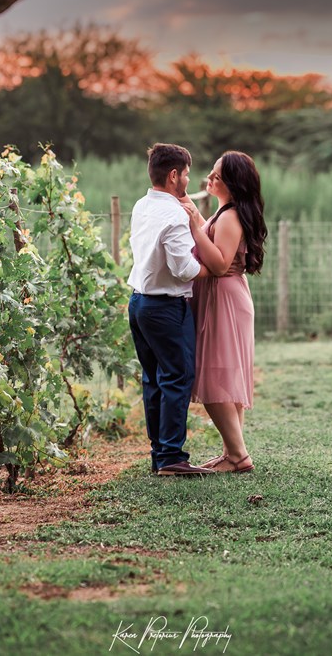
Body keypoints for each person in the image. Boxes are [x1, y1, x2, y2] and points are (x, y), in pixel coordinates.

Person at [127, 143, 213, 476]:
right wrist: (215, 269)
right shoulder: (174, 213)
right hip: (165, 306)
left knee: (154, 380)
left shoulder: (141, 205)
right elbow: (184, 270)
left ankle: (159, 454)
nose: (189, 180)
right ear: (174, 175)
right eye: (187, 173)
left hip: (138, 302)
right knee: (177, 377)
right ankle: (172, 457)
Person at [183, 151, 267, 473]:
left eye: (216, 176)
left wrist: (194, 224)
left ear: (231, 183)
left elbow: (218, 264)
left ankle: (239, 456)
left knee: (216, 375)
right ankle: (232, 454)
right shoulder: (225, 212)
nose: (209, 179)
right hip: (225, 296)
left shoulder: (231, 217)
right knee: (225, 374)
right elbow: (212, 242)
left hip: (225, 298)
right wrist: (198, 221)